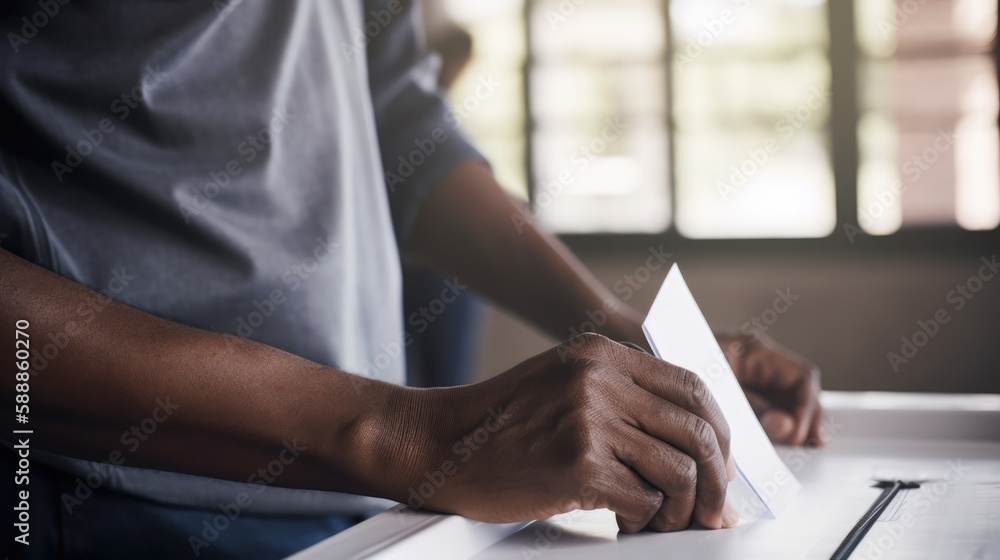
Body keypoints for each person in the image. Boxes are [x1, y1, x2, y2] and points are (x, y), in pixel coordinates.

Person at [0, 1, 823, 559]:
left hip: (368, 505)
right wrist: (406, 436)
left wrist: (626, 341)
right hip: (100, 500)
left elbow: (397, 116)